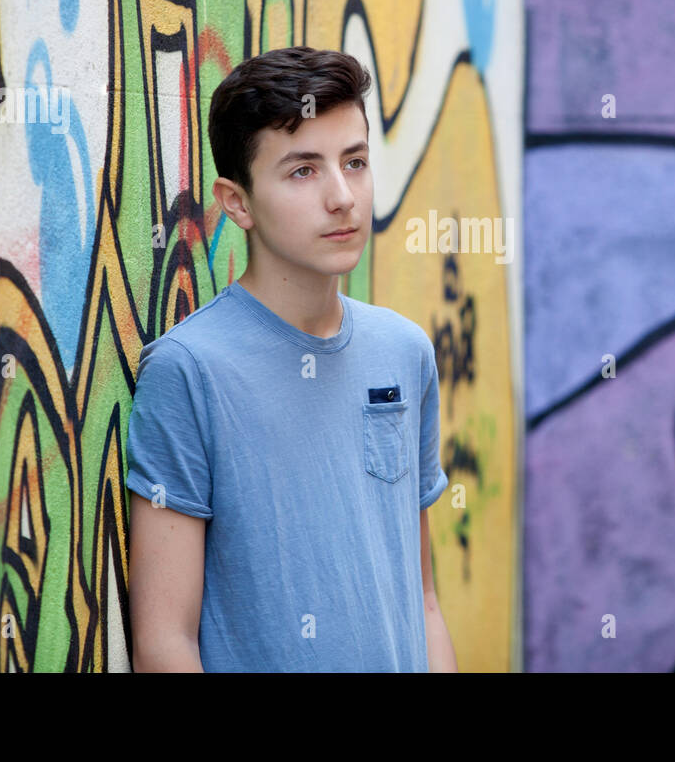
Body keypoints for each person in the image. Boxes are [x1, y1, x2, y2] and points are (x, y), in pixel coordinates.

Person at [125, 46, 456, 672]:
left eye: (354, 162)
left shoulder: (404, 351)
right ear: (238, 201)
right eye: (303, 171)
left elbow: (424, 600)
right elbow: (165, 643)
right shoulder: (189, 371)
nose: (343, 197)